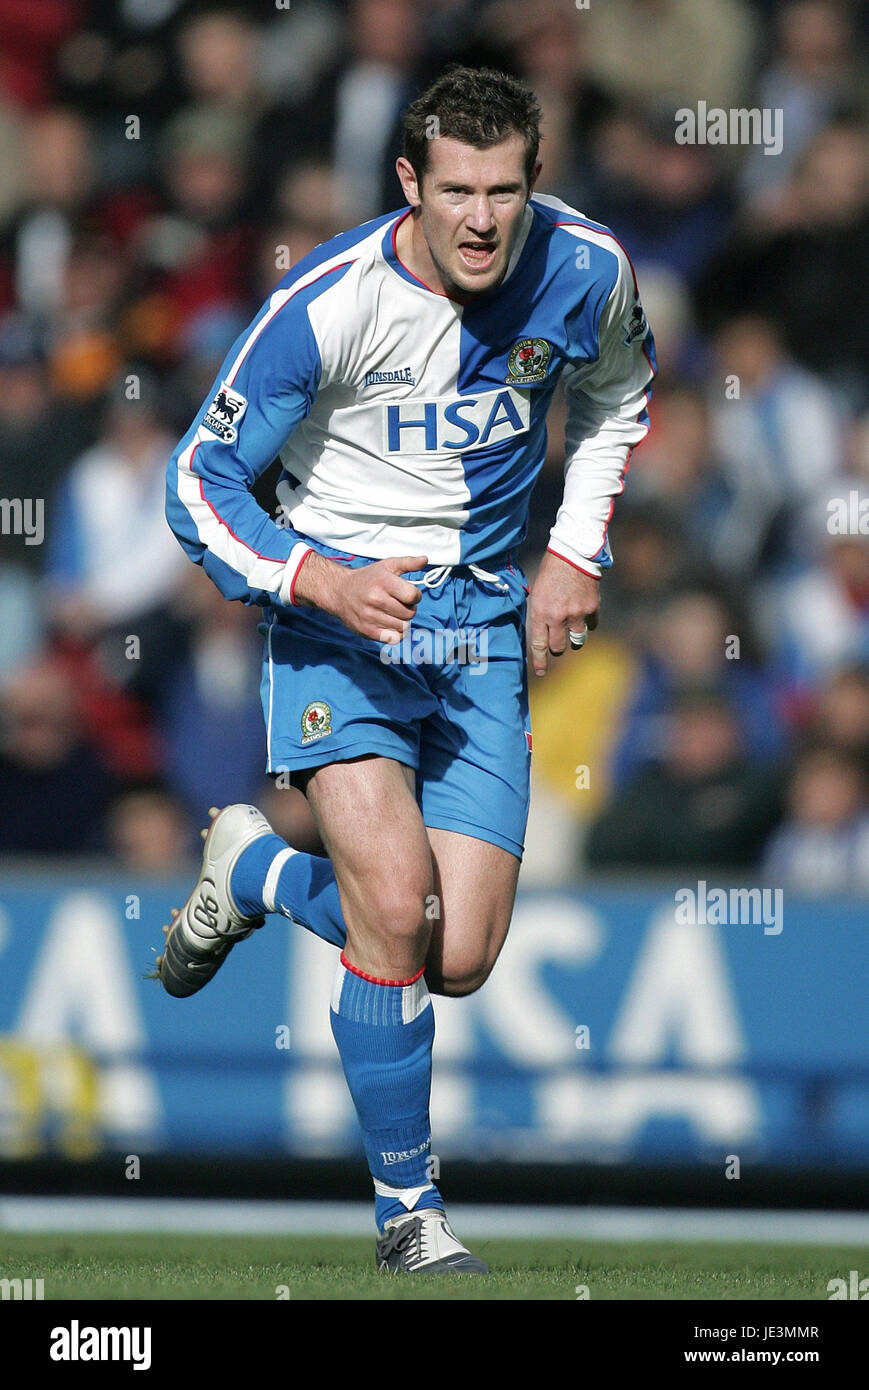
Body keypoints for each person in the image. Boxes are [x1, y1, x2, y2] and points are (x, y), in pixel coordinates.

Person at [157, 65, 655, 1274]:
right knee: (391, 898)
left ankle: (260, 872)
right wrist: (312, 578)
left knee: (459, 953)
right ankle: (409, 1218)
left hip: (481, 633)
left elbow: (620, 394)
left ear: (534, 182)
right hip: (344, 631)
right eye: (455, 192)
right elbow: (195, 480)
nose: (481, 219)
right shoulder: (325, 306)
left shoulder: (585, 271)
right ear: (408, 186)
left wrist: (572, 552)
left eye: (503, 191)